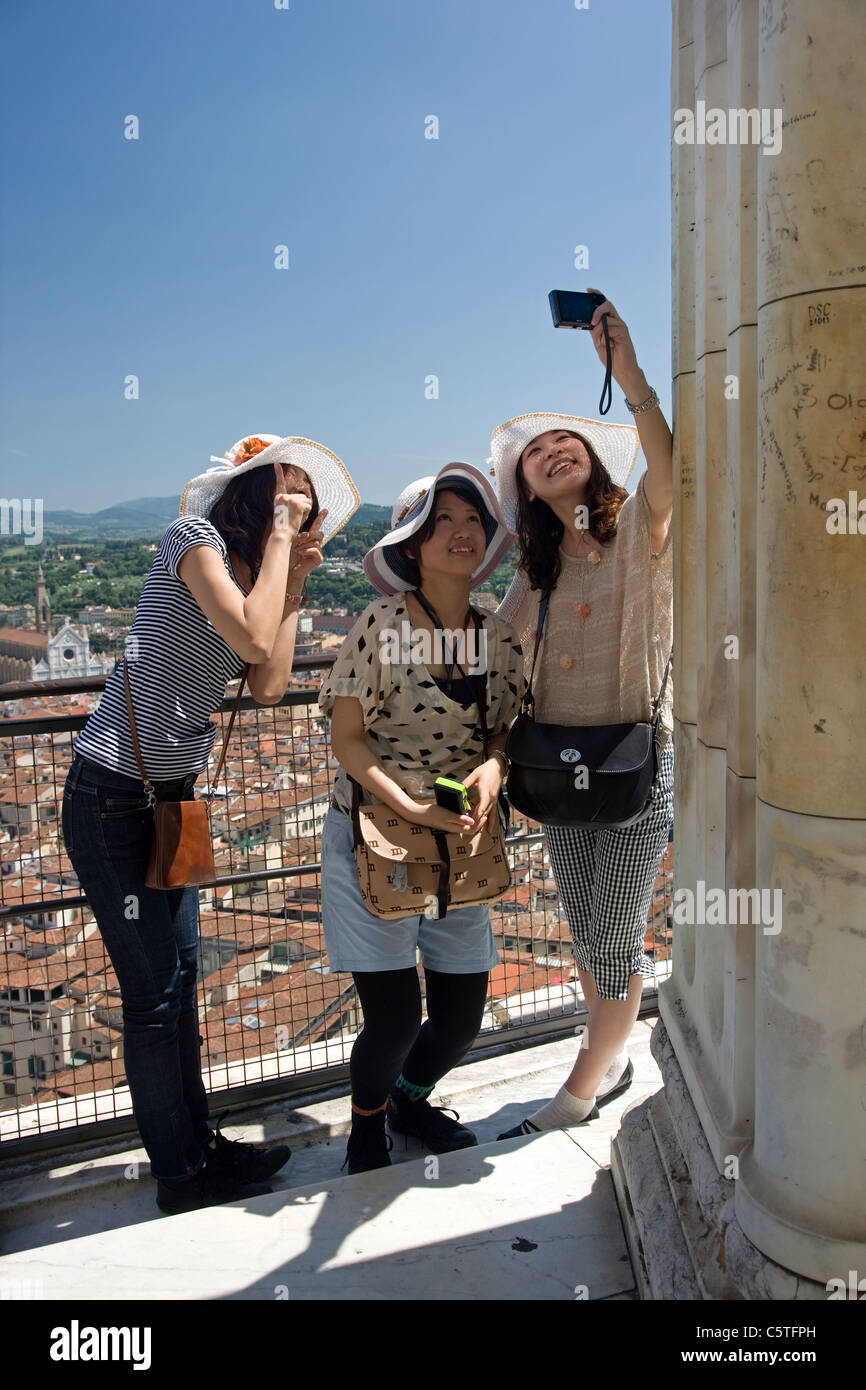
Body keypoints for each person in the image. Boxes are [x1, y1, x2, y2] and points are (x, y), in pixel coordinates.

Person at [62, 432, 360, 1213]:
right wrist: (285, 544)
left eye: (305, 487)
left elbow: (266, 681)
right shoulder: (190, 539)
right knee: (154, 997)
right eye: (285, 482)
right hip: (109, 798)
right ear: (250, 488)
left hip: (173, 800)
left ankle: (200, 1146)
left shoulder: (249, 569)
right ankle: (179, 1175)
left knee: (185, 982)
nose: (297, 494)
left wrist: (291, 579)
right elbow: (252, 639)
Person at [489, 292, 674, 1138]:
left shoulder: (639, 527)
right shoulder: (537, 572)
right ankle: (616, 1047)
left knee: (608, 934)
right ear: (525, 488)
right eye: (537, 454)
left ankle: (581, 1087)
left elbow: (670, 471)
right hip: (559, 769)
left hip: (637, 758)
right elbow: (492, 651)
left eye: (567, 441)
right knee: (591, 926)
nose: (555, 451)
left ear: (597, 462)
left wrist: (626, 371)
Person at [318, 462, 524, 1173]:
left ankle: (410, 1096)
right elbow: (346, 736)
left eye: (474, 521)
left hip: (459, 841)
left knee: (463, 1015)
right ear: (413, 546)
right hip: (372, 836)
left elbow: (503, 730)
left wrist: (495, 768)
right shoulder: (381, 624)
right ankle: (367, 1124)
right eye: (444, 522)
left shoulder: (494, 636)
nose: (463, 533)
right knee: (397, 1015)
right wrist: (403, 801)